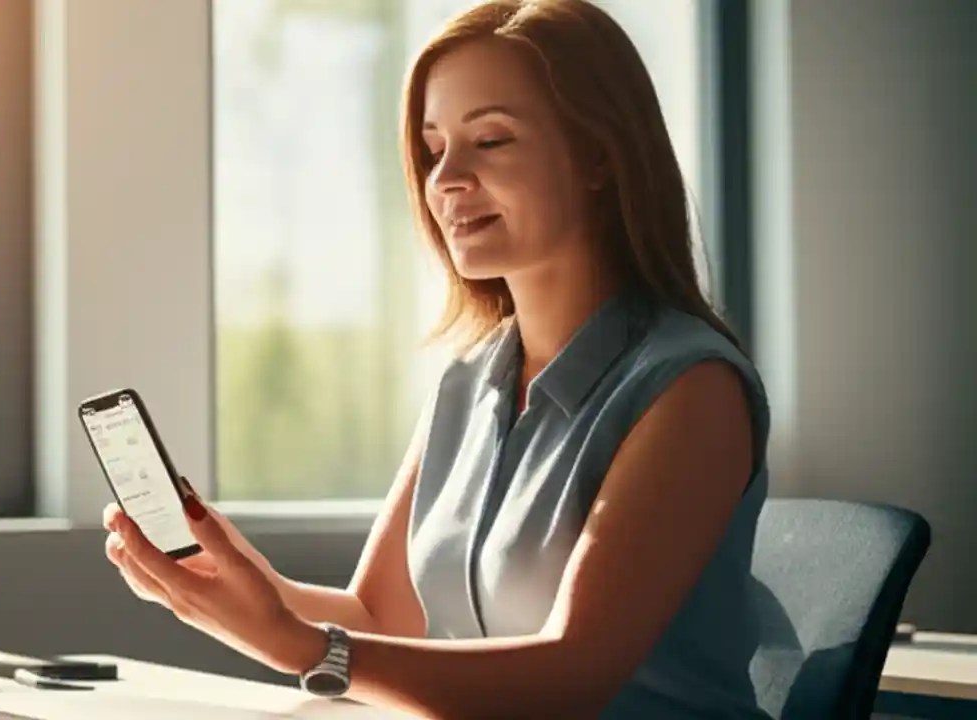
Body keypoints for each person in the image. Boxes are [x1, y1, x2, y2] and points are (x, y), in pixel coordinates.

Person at [103, 0, 771, 717]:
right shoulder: (470, 380)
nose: (446, 179)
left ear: (600, 156)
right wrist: (244, 588)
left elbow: (574, 679)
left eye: (490, 140)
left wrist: (300, 646)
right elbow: (379, 619)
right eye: (432, 149)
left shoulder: (692, 389)